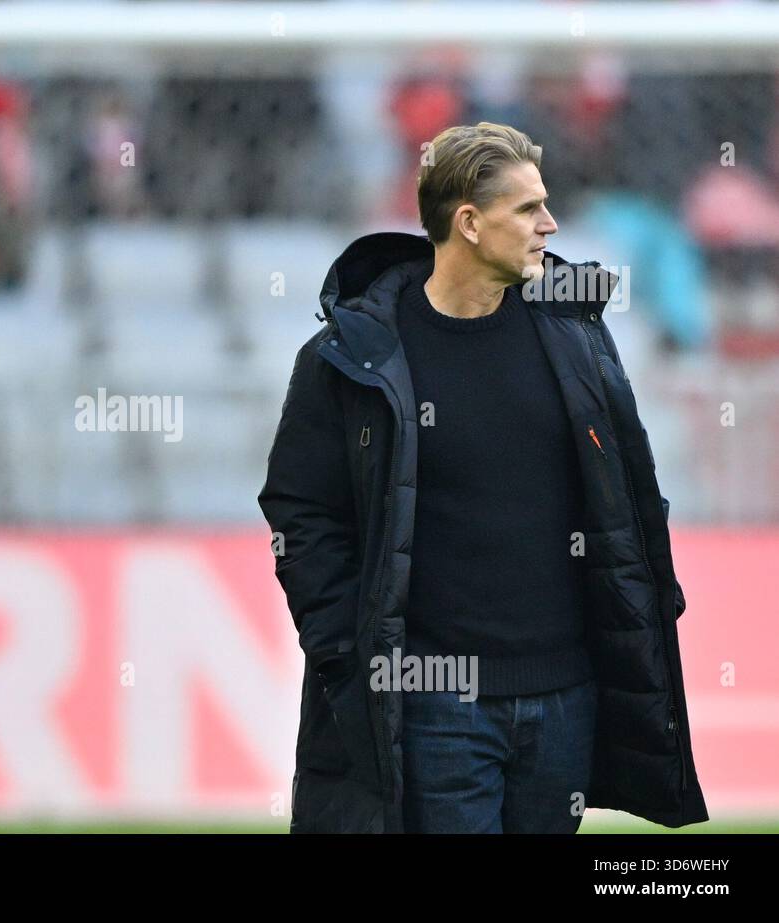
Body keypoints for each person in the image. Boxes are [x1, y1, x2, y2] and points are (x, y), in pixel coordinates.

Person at [258, 122, 707, 833]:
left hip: (565, 703)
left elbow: (626, 488)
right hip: (436, 707)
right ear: (468, 222)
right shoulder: (352, 353)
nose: (550, 224)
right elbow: (301, 514)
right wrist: (349, 653)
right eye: (528, 208)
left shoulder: (576, 329)